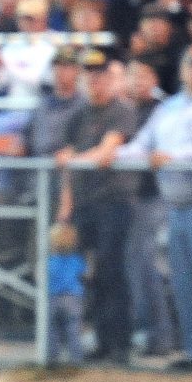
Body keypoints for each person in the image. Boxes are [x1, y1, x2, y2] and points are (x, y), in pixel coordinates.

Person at [114, 46, 192, 373]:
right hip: (175, 203)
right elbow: (144, 145)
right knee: (183, 280)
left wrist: (172, 156)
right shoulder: (169, 107)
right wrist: (111, 156)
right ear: (182, 69)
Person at [55, 49, 139, 365]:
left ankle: (120, 344)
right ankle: (100, 342)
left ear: (109, 78)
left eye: (100, 74)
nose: (94, 80)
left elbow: (106, 154)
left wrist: (73, 160)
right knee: (87, 275)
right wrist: (65, 209)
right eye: (89, 74)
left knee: (111, 271)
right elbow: (67, 169)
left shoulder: (122, 111)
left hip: (115, 203)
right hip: (85, 205)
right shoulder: (77, 116)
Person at [46, 222, 86, 366]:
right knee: (73, 329)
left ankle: (52, 357)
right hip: (73, 297)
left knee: (52, 329)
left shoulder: (49, 261)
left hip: (53, 297)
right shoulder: (77, 260)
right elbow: (86, 274)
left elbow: (41, 276)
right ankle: (76, 358)